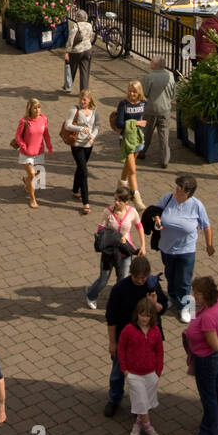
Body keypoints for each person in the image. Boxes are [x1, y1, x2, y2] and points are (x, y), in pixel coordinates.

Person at [103, 255, 168, 418]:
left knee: (144, 374)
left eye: (143, 278)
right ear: (130, 273)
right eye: (136, 278)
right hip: (125, 340)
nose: (140, 281)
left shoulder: (152, 286)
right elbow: (111, 318)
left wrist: (155, 305)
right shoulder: (119, 289)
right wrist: (113, 343)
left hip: (147, 341)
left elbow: (163, 307)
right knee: (118, 372)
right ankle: (114, 399)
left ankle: (141, 403)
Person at [153, 174, 213, 323]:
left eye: (179, 188)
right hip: (166, 248)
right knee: (170, 274)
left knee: (184, 281)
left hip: (186, 251)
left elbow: (206, 226)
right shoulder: (168, 198)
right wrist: (157, 220)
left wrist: (209, 245)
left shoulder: (197, 205)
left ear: (187, 192)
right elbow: (156, 212)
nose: (175, 190)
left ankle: (187, 307)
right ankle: (173, 297)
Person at [184, 275, 218, 435]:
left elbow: (216, 345)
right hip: (214, 360)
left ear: (206, 295)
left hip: (207, 360)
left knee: (208, 395)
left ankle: (208, 433)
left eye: (197, 294)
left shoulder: (208, 316)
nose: (194, 296)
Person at [85, 183, 146, 309]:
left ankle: (119, 302)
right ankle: (91, 295)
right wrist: (115, 237)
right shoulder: (107, 212)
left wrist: (143, 246)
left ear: (126, 201)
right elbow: (100, 230)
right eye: (115, 199)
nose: (116, 202)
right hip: (109, 252)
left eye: (119, 200)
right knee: (103, 279)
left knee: (123, 279)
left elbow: (139, 227)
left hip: (125, 251)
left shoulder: (132, 212)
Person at [118, 298, 164, 435]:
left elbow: (159, 351)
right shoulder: (128, 330)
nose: (144, 318)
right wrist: (124, 369)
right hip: (134, 374)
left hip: (151, 373)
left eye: (148, 315)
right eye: (142, 314)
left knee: (146, 403)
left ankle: (138, 424)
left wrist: (158, 371)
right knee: (142, 402)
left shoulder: (155, 331)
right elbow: (121, 349)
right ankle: (149, 428)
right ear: (137, 314)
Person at [64, 90, 99, 214]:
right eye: (81, 99)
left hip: (89, 145)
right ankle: (86, 202)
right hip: (77, 144)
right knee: (84, 172)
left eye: (84, 99)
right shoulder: (75, 110)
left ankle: (74, 190)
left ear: (89, 100)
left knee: (80, 168)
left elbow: (97, 126)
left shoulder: (94, 111)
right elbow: (67, 125)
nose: (82, 101)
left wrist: (93, 135)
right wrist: (80, 128)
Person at [137, 56, 176, 169]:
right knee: (164, 135)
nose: (150, 63)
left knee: (147, 132)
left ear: (155, 65)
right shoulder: (171, 77)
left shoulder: (149, 77)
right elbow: (173, 95)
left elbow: (143, 94)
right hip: (165, 110)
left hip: (151, 110)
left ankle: (142, 152)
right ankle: (164, 159)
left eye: (151, 61)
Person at [14, 98, 52, 208]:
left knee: (38, 174)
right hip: (27, 153)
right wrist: (24, 146)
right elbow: (18, 136)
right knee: (32, 174)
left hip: (39, 152)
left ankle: (27, 181)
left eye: (39, 107)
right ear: (30, 109)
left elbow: (46, 134)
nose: (37, 110)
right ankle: (33, 199)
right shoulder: (24, 121)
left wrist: (49, 147)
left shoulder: (43, 119)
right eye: (35, 108)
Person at [115, 81, 147, 212]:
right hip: (126, 140)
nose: (131, 94)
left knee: (128, 167)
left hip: (138, 140)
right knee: (133, 170)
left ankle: (121, 184)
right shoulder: (123, 104)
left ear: (139, 92)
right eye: (129, 91)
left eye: (134, 91)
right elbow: (120, 123)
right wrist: (137, 123)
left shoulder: (144, 103)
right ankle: (137, 197)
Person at [63, 9, 93, 94]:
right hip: (87, 49)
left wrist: (67, 51)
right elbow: (91, 36)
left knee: (71, 69)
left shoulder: (75, 26)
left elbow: (70, 39)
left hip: (76, 51)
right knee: (85, 71)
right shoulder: (89, 25)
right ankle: (84, 91)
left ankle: (68, 86)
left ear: (77, 17)